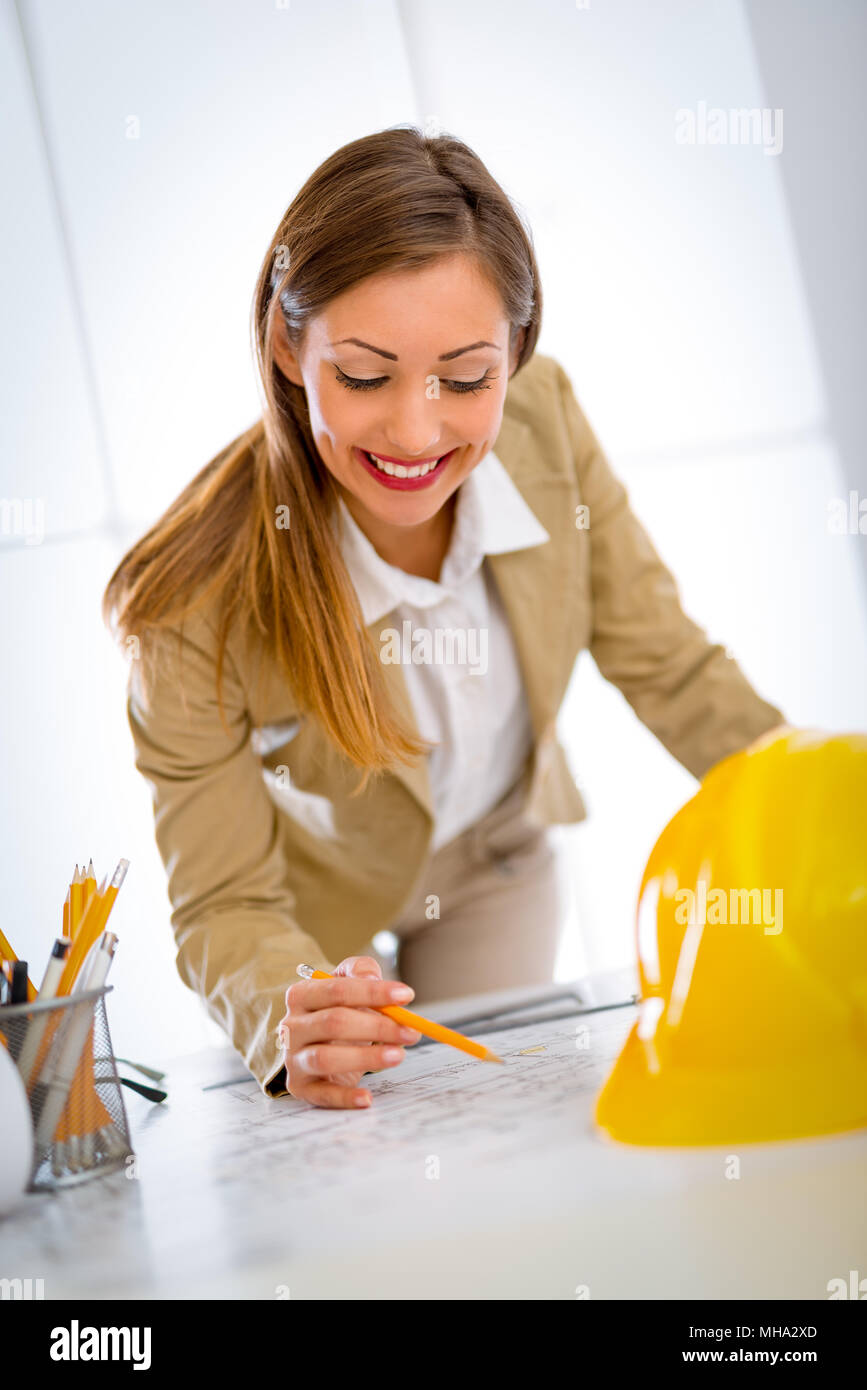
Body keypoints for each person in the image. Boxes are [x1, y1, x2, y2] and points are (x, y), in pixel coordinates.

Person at [103, 125, 787, 1110]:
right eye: (367, 375)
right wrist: (290, 1005)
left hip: (495, 857)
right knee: (355, 1150)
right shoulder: (190, 601)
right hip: (306, 913)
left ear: (517, 350)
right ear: (289, 347)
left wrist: (827, 809)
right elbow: (226, 902)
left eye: (465, 379)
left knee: (495, 1126)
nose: (416, 432)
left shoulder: (548, 420)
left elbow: (670, 667)